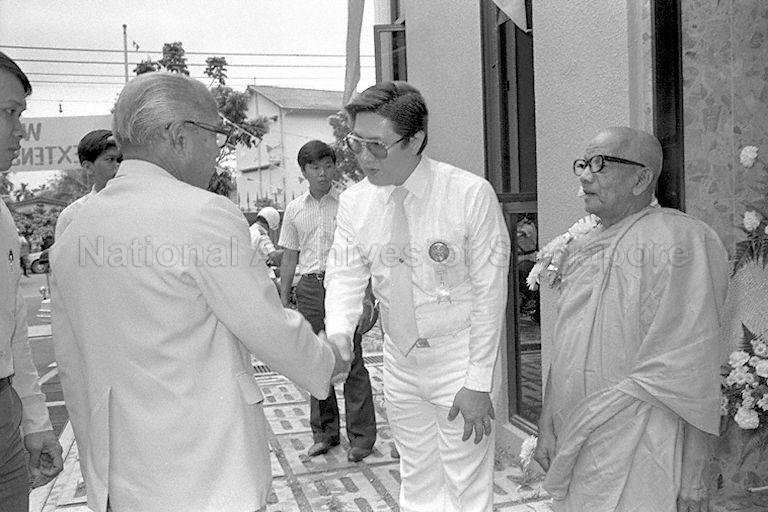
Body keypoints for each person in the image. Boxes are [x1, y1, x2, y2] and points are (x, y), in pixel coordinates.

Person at [50, 72, 348, 512]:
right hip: (204, 475)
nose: (217, 151)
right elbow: (265, 325)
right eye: (216, 136)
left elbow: (72, 369)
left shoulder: (75, 232)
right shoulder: (203, 216)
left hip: (121, 478)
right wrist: (328, 362)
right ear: (179, 135)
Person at [323, 82, 510, 511]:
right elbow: (346, 274)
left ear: (416, 140)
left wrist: (478, 380)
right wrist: (337, 337)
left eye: (377, 145)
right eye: (357, 142)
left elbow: (489, 292)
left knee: (465, 485)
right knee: (417, 478)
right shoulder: (356, 202)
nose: (364, 157)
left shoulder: (468, 194)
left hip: (459, 358)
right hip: (400, 360)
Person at [533, 127, 728, 512]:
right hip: (578, 430)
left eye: (600, 164)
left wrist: (695, 475)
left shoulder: (680, 242)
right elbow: (567, 343)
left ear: (641, 178)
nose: (585, 176)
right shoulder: (587, 247)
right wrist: (545, 424)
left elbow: (691, 367)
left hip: (644, 436)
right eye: (584, 164)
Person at [278, 140, 377, 462]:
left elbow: (365, 254)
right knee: (315, 362)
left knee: (354, 361)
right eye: (314, 168)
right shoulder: (294, 209)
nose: (322, 173)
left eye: (327, 166)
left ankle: (361, 438)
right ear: (304, 171)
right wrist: (284, 300)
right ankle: (325, 434)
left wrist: (367, 297)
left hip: (344, 289)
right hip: (308, 289)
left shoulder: (349, 204)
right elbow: (289, 258)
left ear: (335, 166)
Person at [0, 51, 63, 512]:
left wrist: (35, 421)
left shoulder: (3, 218)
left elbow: (13, 332)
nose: (19, 129)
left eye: (20, 114)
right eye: (8, 113)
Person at [54, 129, 121, 240]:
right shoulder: (72, 216)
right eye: (110, 159)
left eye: (121, 159)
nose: (118, 165)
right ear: (88, 167)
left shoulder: (142, 206)